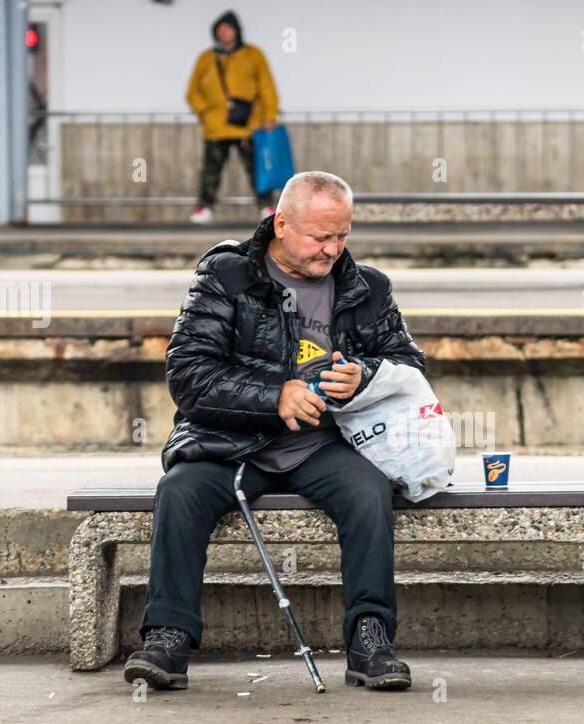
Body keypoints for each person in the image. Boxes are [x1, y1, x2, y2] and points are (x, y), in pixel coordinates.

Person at [126, 171, 424, 692]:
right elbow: (189, 374)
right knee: (179, 491)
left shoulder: (366, 286)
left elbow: (407, 365)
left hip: (324, 444)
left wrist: (365, 376)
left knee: (369, 491)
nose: (332, 249)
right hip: (230, 441)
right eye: (320, 237)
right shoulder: (227, 275)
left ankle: (370, 640)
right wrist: (274, 395)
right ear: (281, 224)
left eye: (343, 236)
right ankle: (168, 637)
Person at [186, 10, 280, 225]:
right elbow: (193, 91)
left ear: (237, 31)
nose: (224, 33)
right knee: (211, 170)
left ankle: (266, 205)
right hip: (216, 126)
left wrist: (270, 114)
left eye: (227, 28)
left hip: (248, 124)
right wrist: (205, 112)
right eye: (220, 30)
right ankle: (204, 207)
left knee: (257, 167)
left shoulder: (253, 55)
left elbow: (267, 86)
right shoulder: (206, 58)